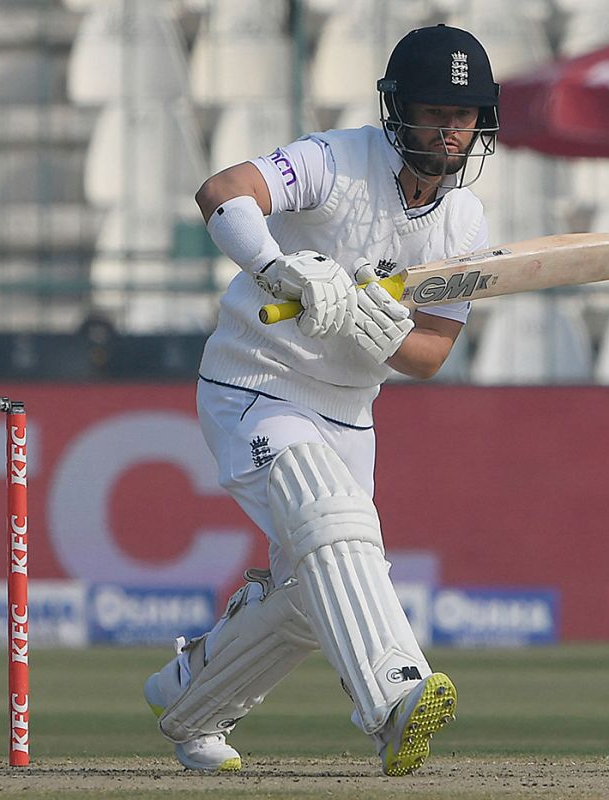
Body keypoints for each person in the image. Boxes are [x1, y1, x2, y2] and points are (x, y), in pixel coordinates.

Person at [142, 24, 500, 776]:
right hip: (256, 382)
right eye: (435, 112)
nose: (450, 130)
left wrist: (382, 339)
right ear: (398, 110)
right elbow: (221, 192)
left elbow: (431, 352)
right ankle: (394, 697)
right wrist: (283, 270)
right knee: (336, 524)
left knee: (316, 592)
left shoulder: (465, 222)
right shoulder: (335, 160)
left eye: (463, 116)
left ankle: (190, 696)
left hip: (348, 411)